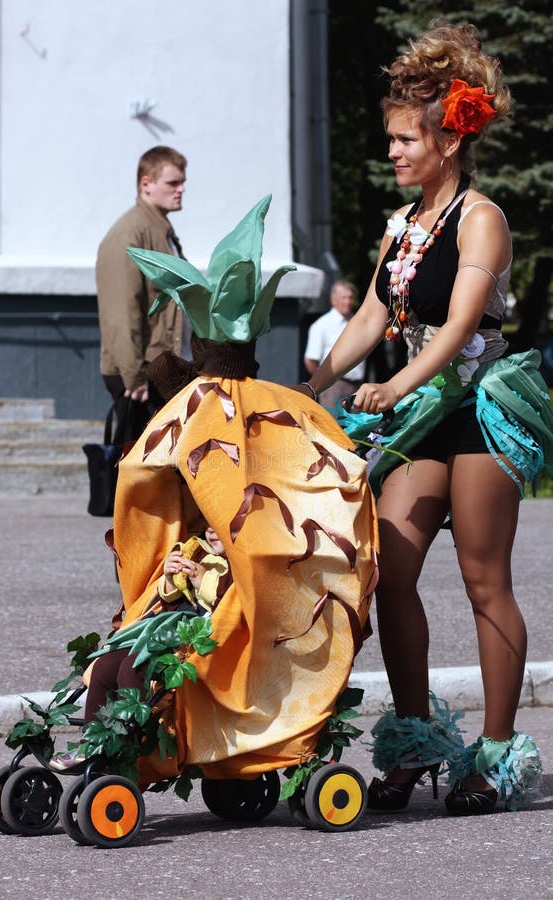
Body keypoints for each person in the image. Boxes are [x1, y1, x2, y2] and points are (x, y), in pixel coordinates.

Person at [297, 21, 552, 815]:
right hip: (420, 416)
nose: (395, 152)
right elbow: (371, 319)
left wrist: (391, 387)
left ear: (447, 141)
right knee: (390, 571)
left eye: (407, 139)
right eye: (393, 138)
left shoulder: (483, 219)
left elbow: (453, 330)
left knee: (483, 580)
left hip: (480, 409)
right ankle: (414, 740)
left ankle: (496, 753)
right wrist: (311, 385)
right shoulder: (403, 228)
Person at [50, 525, 231, 771]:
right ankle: (90, 743)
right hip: (170, 626)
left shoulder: (241, 562)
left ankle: (121, 744)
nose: (212, 531)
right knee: (105, 666)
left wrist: (204, 582)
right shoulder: (200, 552)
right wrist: (170, 578)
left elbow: (236, 606)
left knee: (133, 668)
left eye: (221, 525)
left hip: (201, 637)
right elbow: (171, 602)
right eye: (209, 524)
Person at [95, 145, 190, 437]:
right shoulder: (130, 233)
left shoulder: (161, 231)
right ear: (146, 184)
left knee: (161, 474)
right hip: (143, 376)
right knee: (139, 474)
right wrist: (133, 377)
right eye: (173, 183)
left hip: (164, 369)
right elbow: (121, 311)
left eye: (182, 182)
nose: (181, 189)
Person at [303, 279, 366, 408]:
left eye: (351, 298)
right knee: (334, 426)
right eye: (344, 298)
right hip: (333, 388)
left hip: (357, 387)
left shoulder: (356, 321)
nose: (348, 302)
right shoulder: (322, 325)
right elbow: (310, 360)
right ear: (333, 300)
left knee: (356, 427)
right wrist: (323, 383)